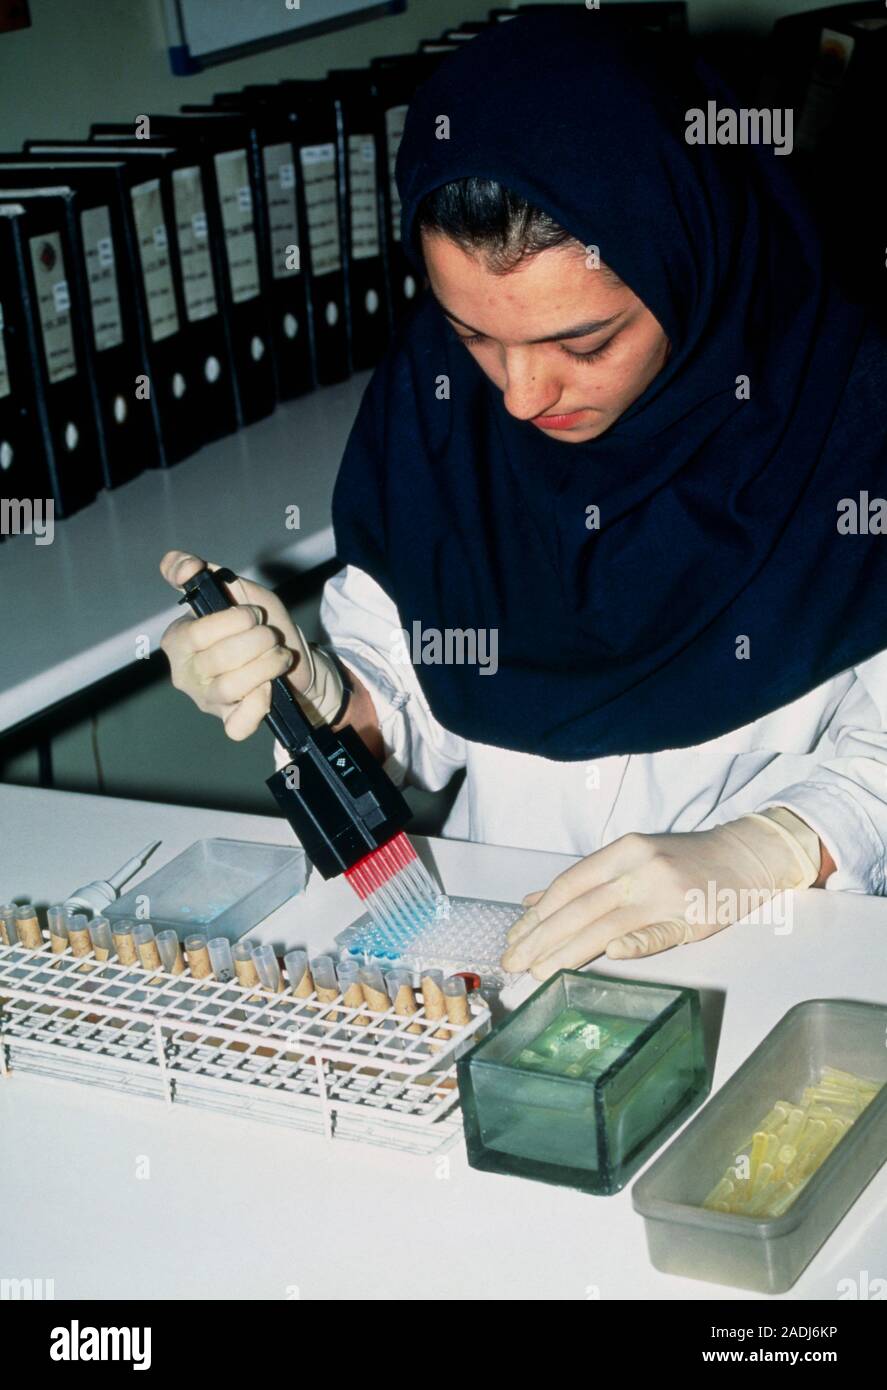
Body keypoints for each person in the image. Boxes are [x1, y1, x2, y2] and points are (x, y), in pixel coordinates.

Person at [160, 12, 887, 981]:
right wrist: (317, 692)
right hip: (503, 940)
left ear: (694, 264)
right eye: (470, 333)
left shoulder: (851, 415)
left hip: (783, 954)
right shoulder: (436, 411)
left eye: (583, 343)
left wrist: (769, 850)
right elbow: (412, 712)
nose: (520, 394)